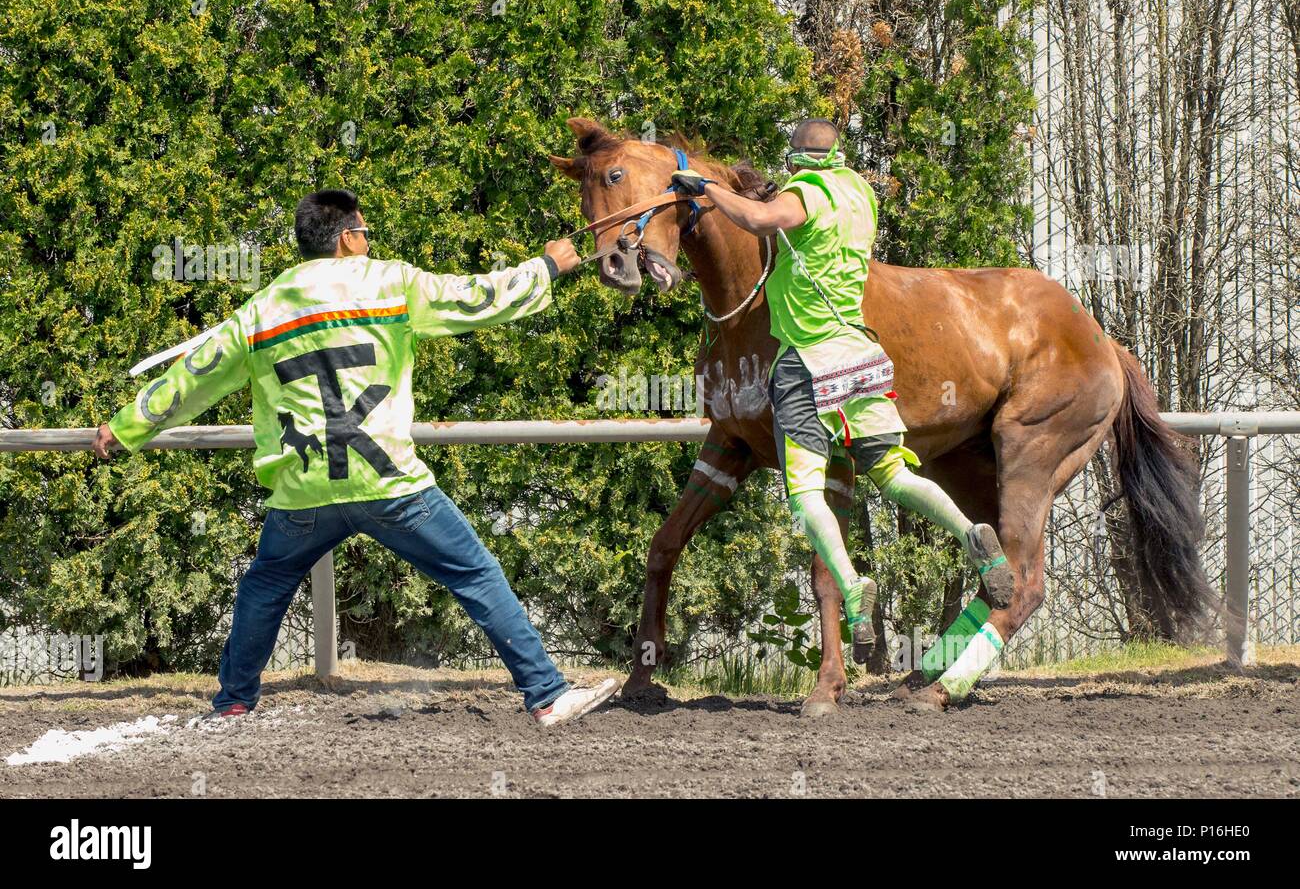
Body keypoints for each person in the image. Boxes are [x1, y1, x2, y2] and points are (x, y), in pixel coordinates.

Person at [93, 189, 618, 727]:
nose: (369, 242)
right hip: (391, 484)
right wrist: (547, 267)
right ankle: (547, 694)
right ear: (348, 237)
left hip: (303, 490)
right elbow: (474, 298)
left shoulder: (260, 308)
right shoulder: (392, 283)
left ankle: (232, 701)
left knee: (266, 585)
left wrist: (126, 427)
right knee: (476, 574)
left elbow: (194, 377)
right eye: (366, 233)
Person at [671, 120, 1016, 673]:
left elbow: (759, 219)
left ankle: (853, 588)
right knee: (895, 476)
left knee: (806, 493)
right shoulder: (859, 193)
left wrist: (706, 189)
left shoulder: (803, 194)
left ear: (796, 159)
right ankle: (970, 532)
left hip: (806, 364)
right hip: (862, 356)